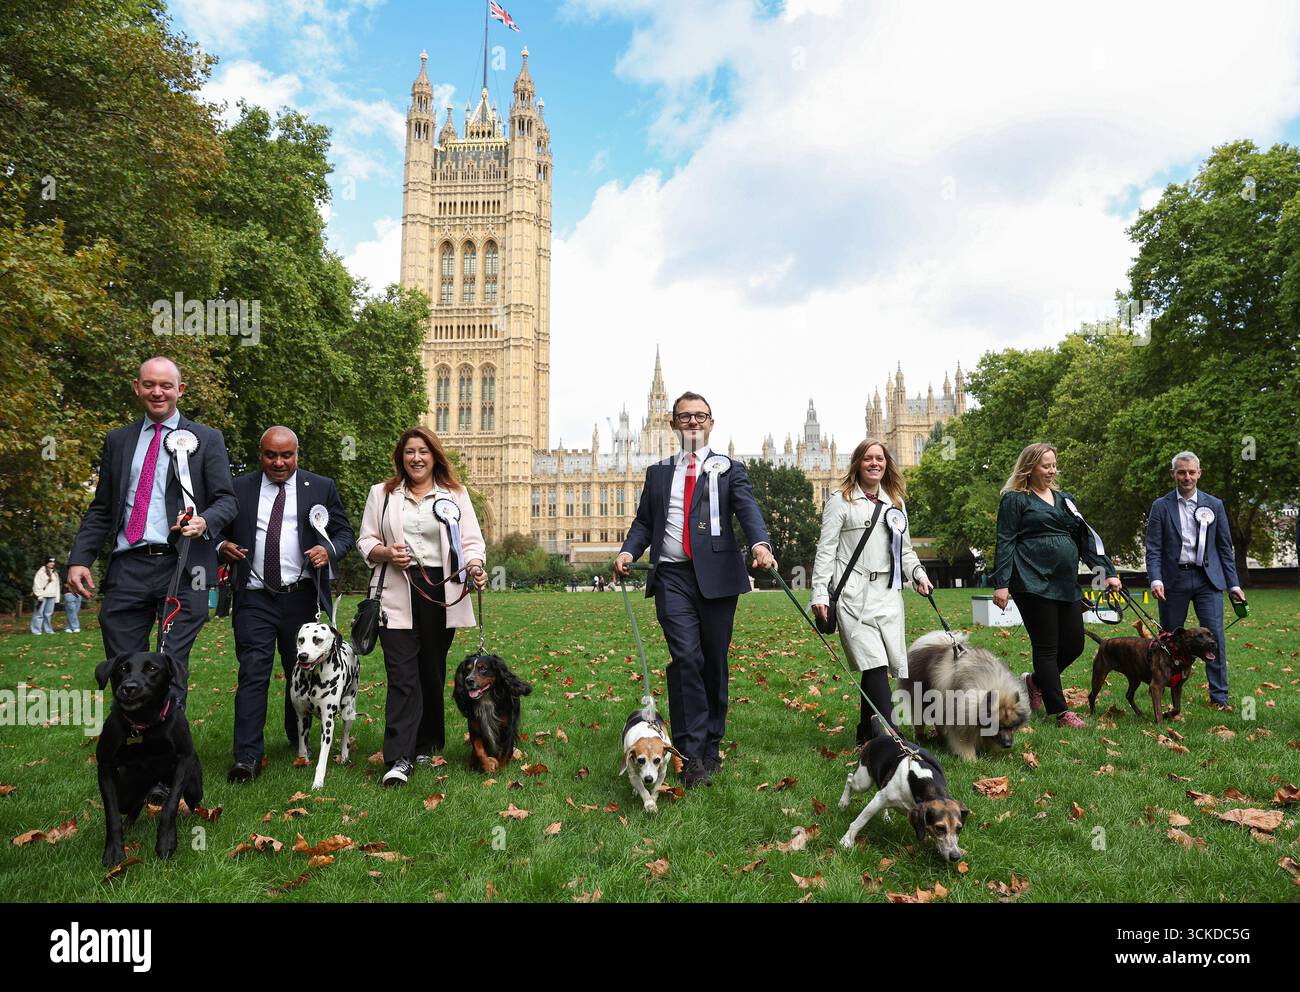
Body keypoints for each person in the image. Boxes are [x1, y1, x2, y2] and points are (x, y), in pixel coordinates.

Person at [614, 392, 775, 788]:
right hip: (672, 575)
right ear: (672, 424)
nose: (692, 422)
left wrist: (760, 544)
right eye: (684, 417)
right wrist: (628, 551)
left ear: (711, 423)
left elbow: (748, 510)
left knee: (714, 661)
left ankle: (711, 743)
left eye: (700, 416)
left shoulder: (729, 469)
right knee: (685, 658)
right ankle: (689, 750)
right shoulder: (658, 472)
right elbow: (643, 523)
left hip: (718, 577)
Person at [68, 357, 237, 706]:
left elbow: (226, 501)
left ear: (180, 390)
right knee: (127, 670)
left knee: (169, 668)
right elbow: (102, 508)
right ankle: (132, 750)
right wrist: (79, 559)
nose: (157, 392)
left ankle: (169, 753)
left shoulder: (206, 439)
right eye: (149, 385)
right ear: (137, 387)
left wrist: (204, 521)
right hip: (127, 567)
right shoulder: (118, 441)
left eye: (166, 385)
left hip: (185, 568)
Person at [215, 426, 355, 782]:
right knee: (253, 674)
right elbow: (213, 529)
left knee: (303, 671)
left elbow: (344, 533)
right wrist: (221, 548)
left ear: (297, 454)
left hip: (303, 598)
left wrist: (330, 550)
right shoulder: (239, 487)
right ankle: (247, 758)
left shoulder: (321, 487)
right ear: (259, 454)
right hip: (254, 598)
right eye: (271, 455)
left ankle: (299, 740)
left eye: (286, 455)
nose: (279, 462)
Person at [356, 426, 488, 787]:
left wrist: (475, 565)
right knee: (401, 675)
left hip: (440, 592)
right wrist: (385, 552)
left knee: (431, 669)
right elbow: (365, 539)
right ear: (402, 456)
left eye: (424, 451)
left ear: (434, 457)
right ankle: (399, 756)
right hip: (396, 592)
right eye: (410, 451)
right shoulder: (381, 494)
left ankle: (428, 740)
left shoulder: (454, 494)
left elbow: (472, 541)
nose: (416, 458)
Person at [811, 439, 933, 744]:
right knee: (874, 662)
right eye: (868, 458)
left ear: (887, 463)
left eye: (880, 458)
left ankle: (866, 734)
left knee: (879, 664)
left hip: (888, 593)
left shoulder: (896, 502)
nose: (874, 463)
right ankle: (892, 736)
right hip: (853, 594)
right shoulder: (840, 500)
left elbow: (905, 550)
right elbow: (826, 551)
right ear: (857, 463)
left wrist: (918, 574)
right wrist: (819, 594)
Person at [991, 443, 1120, 728]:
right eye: (1045, 465)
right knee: (1046, 646)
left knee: (1074, 643)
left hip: (1065, 582)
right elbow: (1005, 541)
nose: (1051, 470)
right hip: (1032, 580)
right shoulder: (1015, 499)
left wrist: (1107, 572)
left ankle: (1035, 682)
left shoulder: (1065, 500)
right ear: (1030, 467)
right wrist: (1001, 583)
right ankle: (1061, 712)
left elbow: (1085, 539)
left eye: (1053, 465)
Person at [1144, 451, 1244, 712]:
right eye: (1181, 472)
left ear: (1199, 473)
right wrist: (1155, 579)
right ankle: (1166, 691)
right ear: (1173, 474)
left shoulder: (1215, 505)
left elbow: (1224, 548)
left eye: (1191, 472)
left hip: (1208, 581)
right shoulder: (1160, 506)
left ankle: (1219, 697)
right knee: (1170, 642)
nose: (1186, 477)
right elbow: (1153, 547)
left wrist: (1233, 585)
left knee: (1214, 639)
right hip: (1172, 581)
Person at [30, 557, 59, 635]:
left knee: (48, 614)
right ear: (46, 562)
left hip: (52, 596)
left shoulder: (55, 573)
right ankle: (36, 630)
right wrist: (39, 595)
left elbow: (57, 586)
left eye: (53, 562)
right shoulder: (41, 572)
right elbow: (36, 584)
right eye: (50, 562)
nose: (52, 563)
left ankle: (48, 630)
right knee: (39, 614)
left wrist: (57, 597)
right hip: (43, 596)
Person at [59, 561, 82, 633]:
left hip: (78, 592)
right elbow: (65, 579)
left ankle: (68, 627)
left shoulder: (79, 568)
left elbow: (82, 579)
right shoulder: (65, 568)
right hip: (68, 592)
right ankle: (76, 627)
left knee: (74, 611)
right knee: (71, 610)